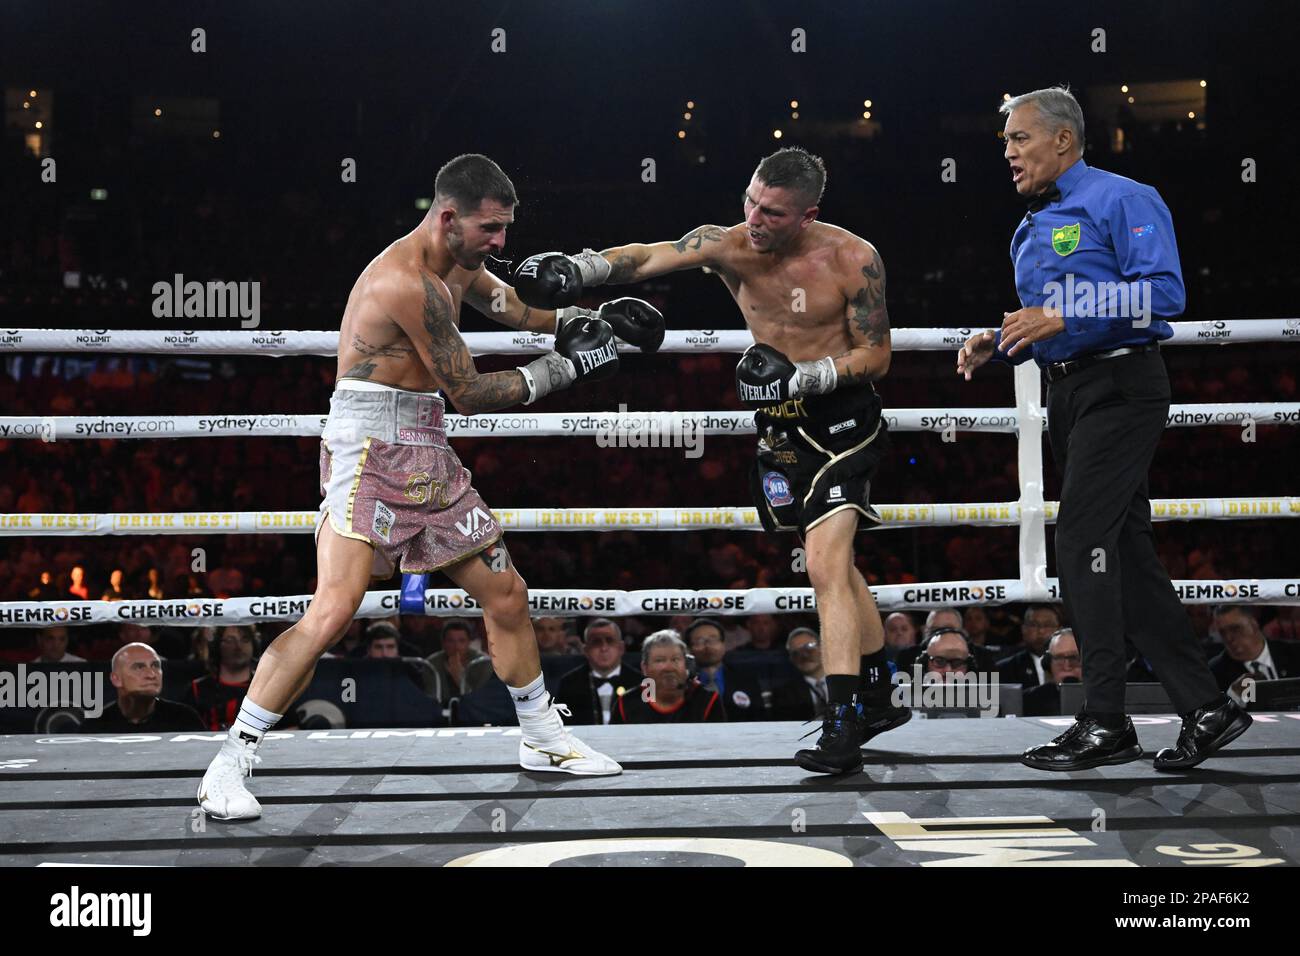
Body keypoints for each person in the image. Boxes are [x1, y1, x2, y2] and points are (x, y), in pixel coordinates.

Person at [197, 154, 664, 819]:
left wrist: (576, 322)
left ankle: (541, 738)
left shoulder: (457, 260)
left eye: (504, 229)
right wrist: (564, 369)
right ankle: (231, 758)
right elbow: (470, 390)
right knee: (335, 608)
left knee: (506, 591)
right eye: (491, 229)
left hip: (426, 445)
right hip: (370, 449)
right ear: (449, 217)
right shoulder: (404, 282)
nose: (501, 243)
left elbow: (506, 303)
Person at [519, 147, 905, 772]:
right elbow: (653, 255)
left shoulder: (853, 258)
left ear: (809, 214)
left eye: (773, 212)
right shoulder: (730, 244)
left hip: (842, 419)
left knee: (827, 567)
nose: (755, 218)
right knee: (835, 565)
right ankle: (881, 691)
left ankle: (843, 725)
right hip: (779, 427)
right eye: (750, 201)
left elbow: (877, 355)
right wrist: (581, 269)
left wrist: (804, 376)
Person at [957, 86, 1250, 771]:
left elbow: (1164, 293)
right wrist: (997, 338)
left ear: (1063, 139)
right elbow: (1046, 316)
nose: (1007, 152)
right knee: (1127, 556)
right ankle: (1206, 708)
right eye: (1005, 142)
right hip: (1070, 394)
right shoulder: (1028, 227)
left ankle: (1105, 719)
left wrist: (1059, 320)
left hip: (1122, 385)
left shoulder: (1123, 197)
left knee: (1083, 540)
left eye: (1018, 138)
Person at [83, 643, 206, 733]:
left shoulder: (185, 719)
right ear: (116, 679)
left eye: (155, 666)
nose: (151, 675)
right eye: (139, 667)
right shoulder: (95, 726)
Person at [611, 630, 723, 724]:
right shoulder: (626, 704)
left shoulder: (706, 700)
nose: (669, 668)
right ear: (645, 668)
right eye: (660, 660)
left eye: (675, 659)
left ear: (686, 665)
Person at [556, 618, 643, 725]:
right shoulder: (569, 683)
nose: (604, 648)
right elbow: (562, 726)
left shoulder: (641, 683)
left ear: (621, 648)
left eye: (610, 641)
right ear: (586, 650)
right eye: (596, 642)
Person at [1208, 605, 1300, 697]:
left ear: (1254, 623)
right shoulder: (1215, 672)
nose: (1228, 638)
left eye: (1235, 628)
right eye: (1222, 632)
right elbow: (1214, 709)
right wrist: (1233, 696)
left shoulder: (1295, 653)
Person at [683, 617, 765, 720]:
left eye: (713, 639)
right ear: (689, 650)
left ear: (723, 645)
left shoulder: (746, 680)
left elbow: (760, 718)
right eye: (699, 641)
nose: (707, 646)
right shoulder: (683, 685)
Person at [191, 625, 258, 731]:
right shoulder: (198, 688)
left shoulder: (267, 688)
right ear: (217, 646)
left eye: (245, 639)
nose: (238, 646)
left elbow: (289, 728)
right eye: (230, 640)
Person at [995, 604, 1063, 689]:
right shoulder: (1003, 670)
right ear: (1023, 629)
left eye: (1048, 625)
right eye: (1034, 625)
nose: (1041, 631)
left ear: (1060, 630)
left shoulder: (1074, 665)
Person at [427, 618, 496, 701]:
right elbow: (432, 701)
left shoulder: (484, 663)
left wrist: (459, 677)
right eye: (450, 641)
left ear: (469, 642)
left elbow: (479, 701)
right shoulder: (431, 663)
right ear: (443, 643)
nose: (457, 647)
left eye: (462, 641)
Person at [771, 627, 829, 721]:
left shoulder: (845, 683)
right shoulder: (784, 694)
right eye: (796, 652)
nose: (804, 655)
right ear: (791, 659)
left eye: (809, 647)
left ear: (822, 648)